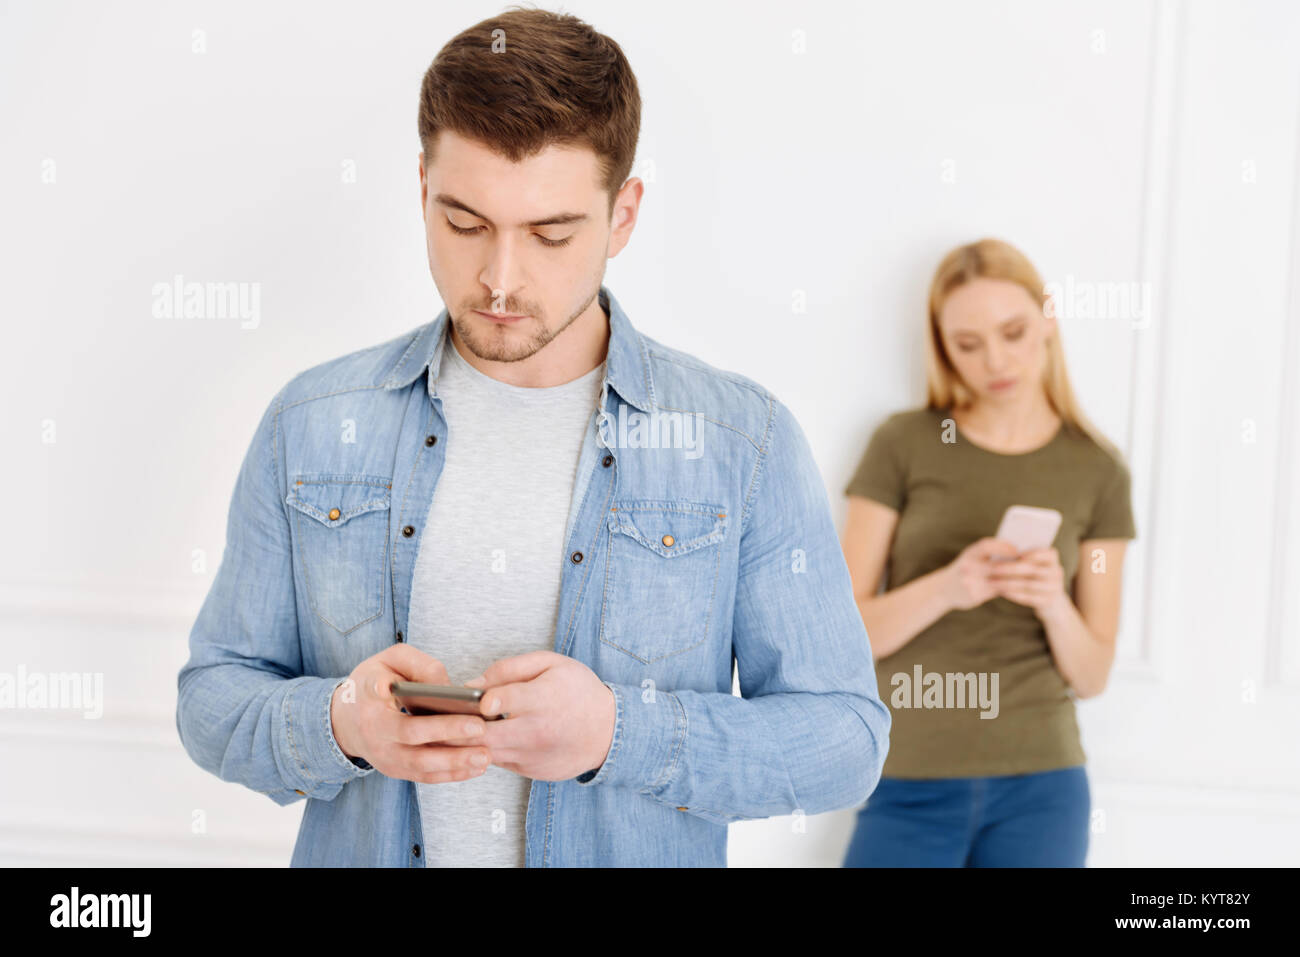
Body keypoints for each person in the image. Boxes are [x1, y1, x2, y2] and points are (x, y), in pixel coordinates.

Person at [175, 7, 890, 867]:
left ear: (623, 215)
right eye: (464, 223)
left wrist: (618, 735)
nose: (500, 280)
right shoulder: (313, 424)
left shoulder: (743, 443)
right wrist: (343, 723)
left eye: (551, 233)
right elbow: (212, 700)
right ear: (422, 190)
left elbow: (846, 737)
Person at [839, 237, 1136, 867]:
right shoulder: (905, 444)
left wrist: (1054, 602)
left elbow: (1093, 673)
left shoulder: (1098, 470)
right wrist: (950, 587)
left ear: (1048, 318)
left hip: (1043, 785)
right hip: (908, 778)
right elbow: (842, 636)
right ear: (943, 344)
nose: (995, 360)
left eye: (1013, 332)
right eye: (967, 344)